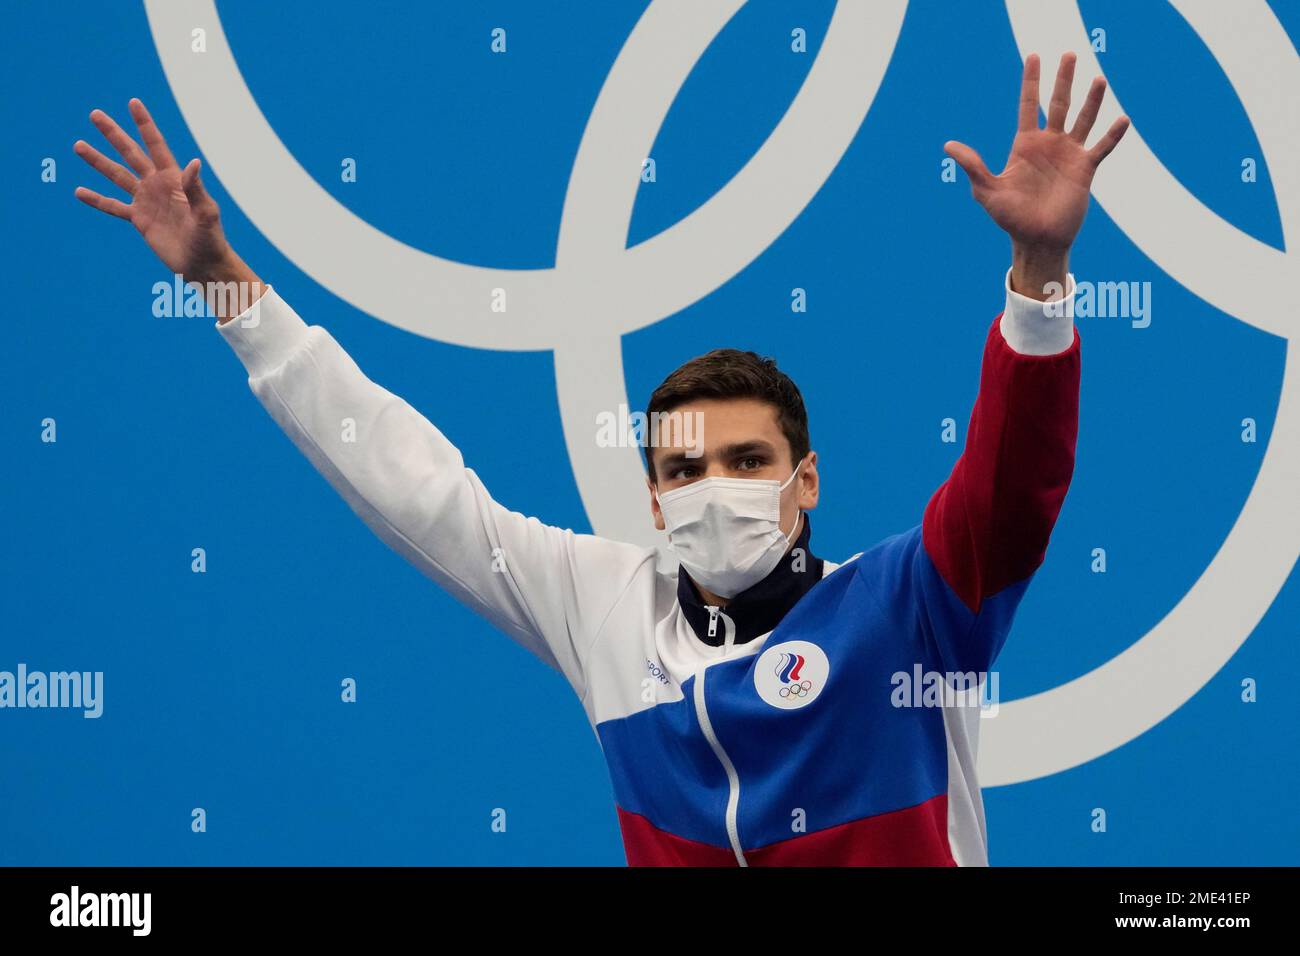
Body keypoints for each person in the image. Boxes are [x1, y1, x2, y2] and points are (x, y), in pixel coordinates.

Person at [74, 53, 1128, 866]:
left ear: (805, 481)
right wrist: (222, 281)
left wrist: (1039, 268)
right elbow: (410, 482)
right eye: (685, 471)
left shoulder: (909, 608)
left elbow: (1013, 479)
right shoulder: (610, 611)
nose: (716, 488)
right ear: (655, 499)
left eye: (748, 459)